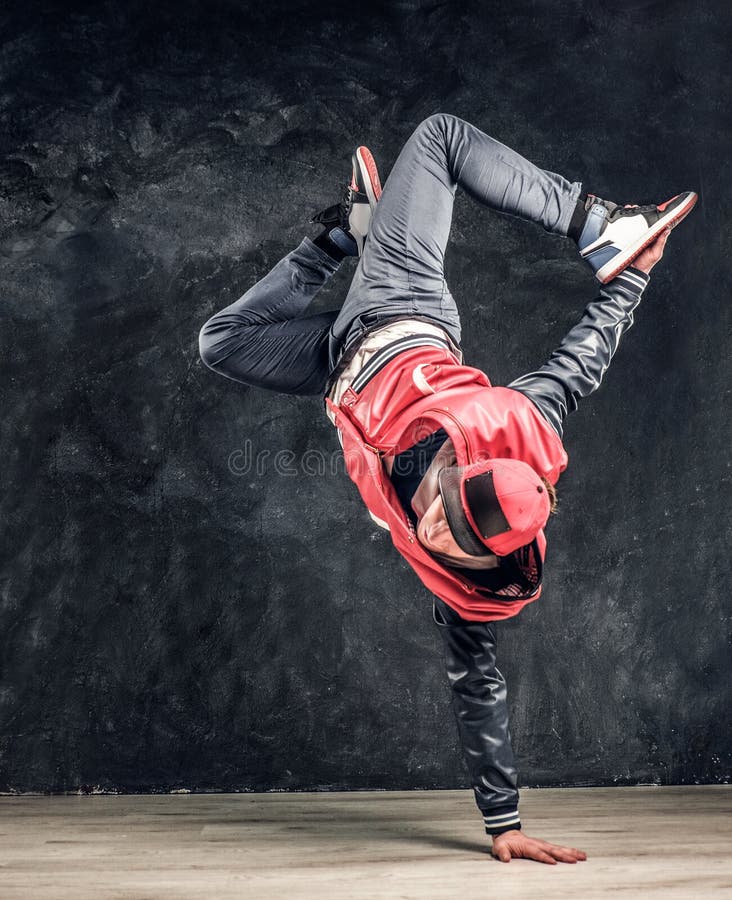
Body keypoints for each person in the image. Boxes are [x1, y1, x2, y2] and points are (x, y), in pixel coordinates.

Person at [198, 114, 696, 865]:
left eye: (436, 525)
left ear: (469, 557)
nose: (425, 513)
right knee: (438, 138)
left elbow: (477, 681)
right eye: (442, 495)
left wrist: (504, 823)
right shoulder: (515, 419)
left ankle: (344, 232)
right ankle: (598, 222)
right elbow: (585, 356)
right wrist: (633, 271)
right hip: (403, 308)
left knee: (222, 343)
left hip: (336, 368)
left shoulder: (465, 585)